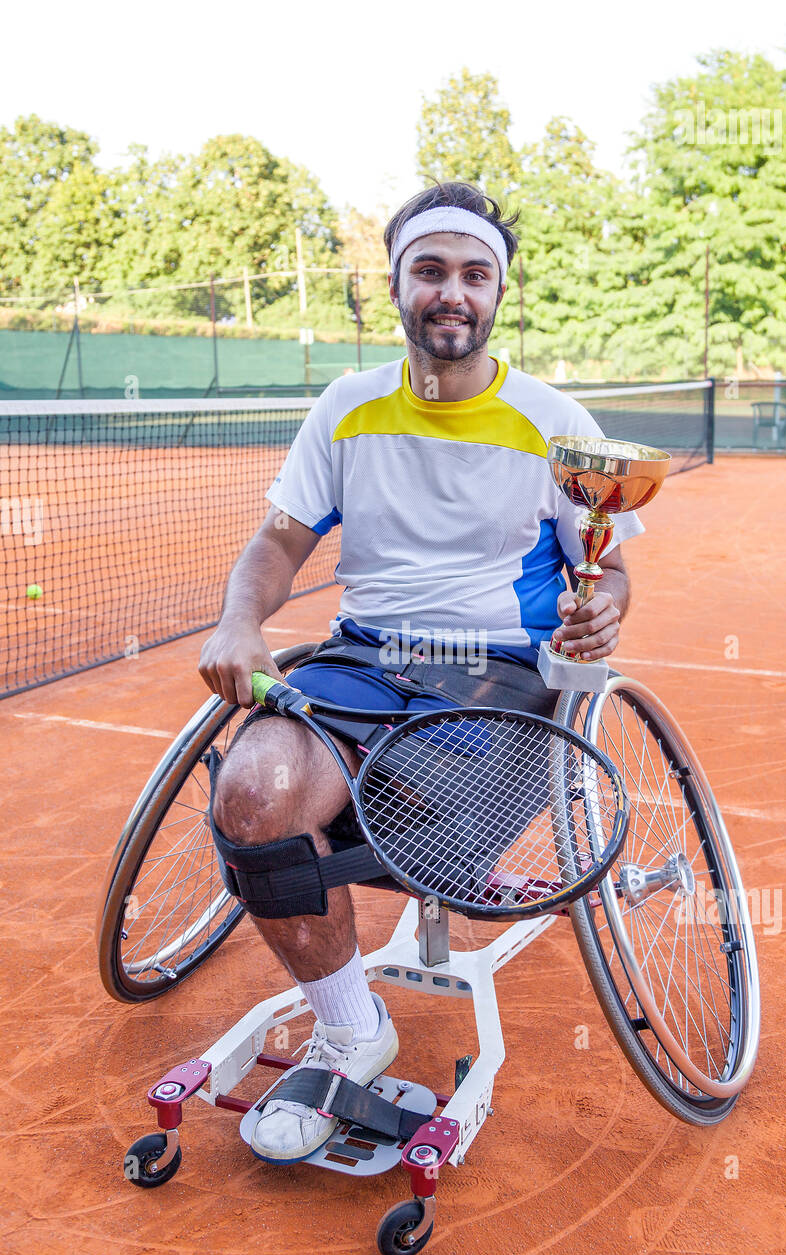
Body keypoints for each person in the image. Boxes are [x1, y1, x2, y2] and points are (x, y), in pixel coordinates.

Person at [198, 180, 644, 1163]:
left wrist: (605, 600)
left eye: (473, 274)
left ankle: (430, 867)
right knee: (254, 792)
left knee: (420, 840)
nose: (452, 291)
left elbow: (605, 564)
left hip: (498, 677)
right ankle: (354, 1027)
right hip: (364, 660)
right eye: (429, 270)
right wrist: (239, 619)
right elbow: (277, 545)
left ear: (497, 292)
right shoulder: (345, 406)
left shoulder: (555, 418)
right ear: (395, 284)